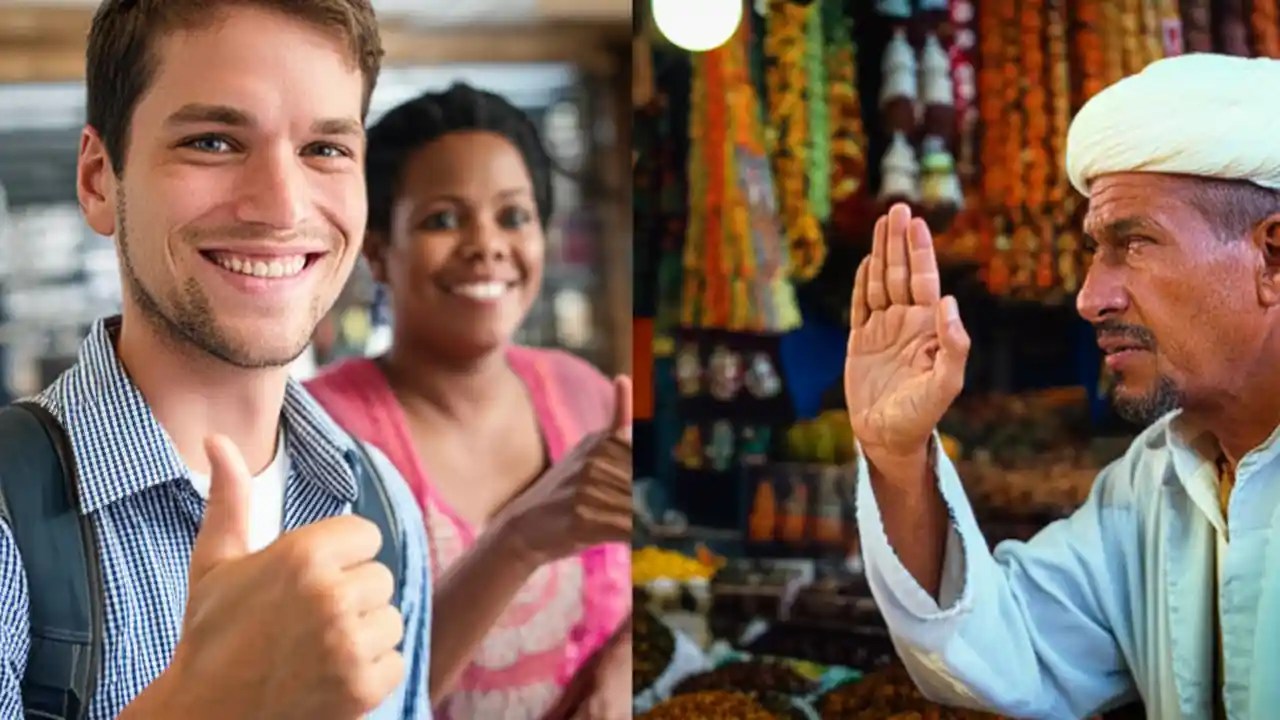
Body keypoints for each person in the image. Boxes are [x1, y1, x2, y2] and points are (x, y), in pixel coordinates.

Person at [0, 1, 434, 718]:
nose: (281, 205)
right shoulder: (11, 517)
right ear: (99, 180)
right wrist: (200, 702)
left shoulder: (379, 504)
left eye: (325, 149)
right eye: (213, 141)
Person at [845, 53, 1280, 720]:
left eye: (1132, 244)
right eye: (1094, 251)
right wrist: (897, 457)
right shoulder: (1153, 481)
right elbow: (1008, 648)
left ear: (1272, 259)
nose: (1090, 298)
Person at [306, 84, 632, 720]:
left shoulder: (583, 392)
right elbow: (348, 701)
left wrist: (622, 669)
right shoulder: (323, 434)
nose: (487, 244)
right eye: (443, 219)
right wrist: (518, 541)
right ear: (377, 250)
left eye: (513, 216)